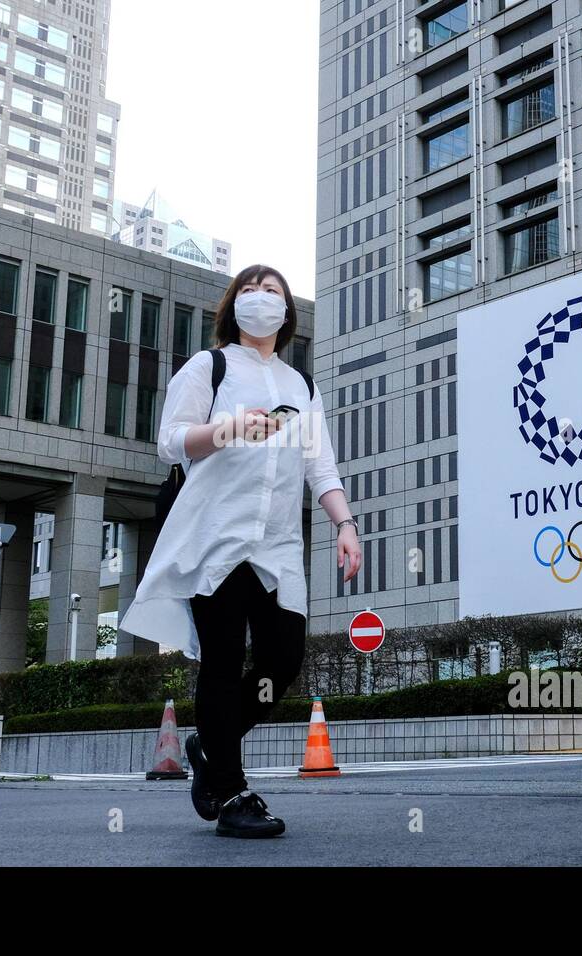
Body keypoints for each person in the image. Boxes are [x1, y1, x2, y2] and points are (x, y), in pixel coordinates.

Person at [119, 264, 361, 838]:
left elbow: (317, 463)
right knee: (223, 664)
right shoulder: (211, 365)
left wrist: (344, 524)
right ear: (234, 306)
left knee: (283, 659)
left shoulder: (302, 386)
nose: (261, 298)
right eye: (250, 290)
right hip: (217, 538)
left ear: (286, 311)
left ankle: (210, 741)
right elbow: (170, 441)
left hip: (275, 544)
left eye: (272, 290)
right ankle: (232, 793)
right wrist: (229, 429)